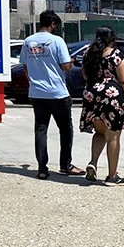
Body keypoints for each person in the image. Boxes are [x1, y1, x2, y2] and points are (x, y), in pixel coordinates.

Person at [20, 10, 84, 180]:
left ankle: (42, 168)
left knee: (41, 130)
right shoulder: (57, 41)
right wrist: (70, 61)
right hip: (57, 93)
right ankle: (65, 165)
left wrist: (34, 81)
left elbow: (25, 66)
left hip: (36, 92)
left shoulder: (28, 41)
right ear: (53, 24)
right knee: (65, 129)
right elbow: (66, 67)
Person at [80, 28, 124, 186]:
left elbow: (85, 75)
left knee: (99, 132)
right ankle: (112, 176)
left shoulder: (88, 52)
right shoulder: (116, 54)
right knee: (113, 136)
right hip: (111, 95)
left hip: (91, 94)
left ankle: (93, 162)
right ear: (112, 39)